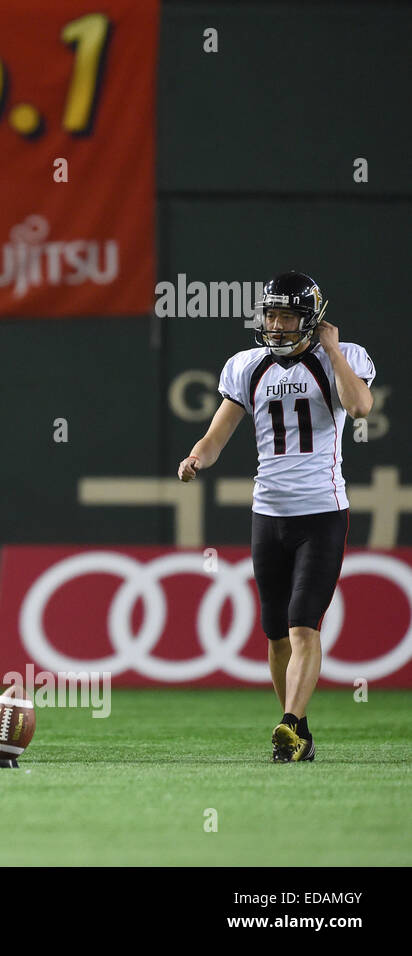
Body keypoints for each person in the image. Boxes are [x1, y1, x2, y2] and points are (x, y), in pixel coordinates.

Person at [178, 271, 374, 763]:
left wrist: (330, 350)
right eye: (271, 314)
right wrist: (197, 457)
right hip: (268, 513)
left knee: (304, 624)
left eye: (288, 316)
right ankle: (299, 730)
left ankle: (287, 723)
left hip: (322, 511)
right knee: (275, 633)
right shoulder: (248, 366)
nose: (277, 325)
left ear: (311, 320)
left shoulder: (344, 357)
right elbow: (216, 435)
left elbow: (361, 406)